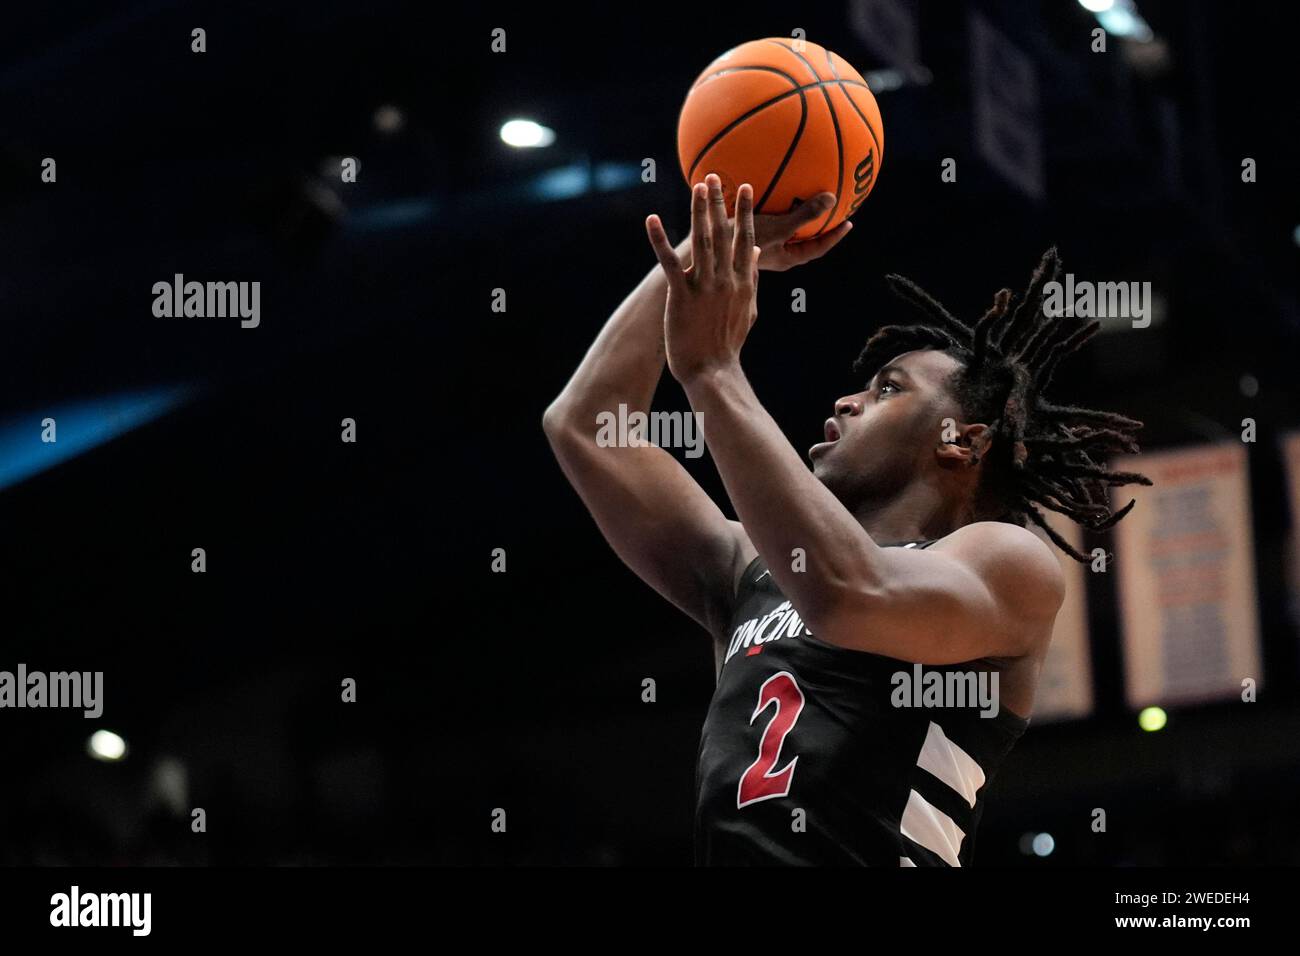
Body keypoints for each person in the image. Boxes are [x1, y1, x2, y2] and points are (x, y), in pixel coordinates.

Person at [543, 174, 1150, 865]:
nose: (846, 401)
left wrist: (713, 371)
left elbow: (851, 595)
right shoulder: (753, 569)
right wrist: (709, 255)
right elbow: (588, 429)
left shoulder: (1008, 562)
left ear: (964, 440)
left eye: (888, 387)